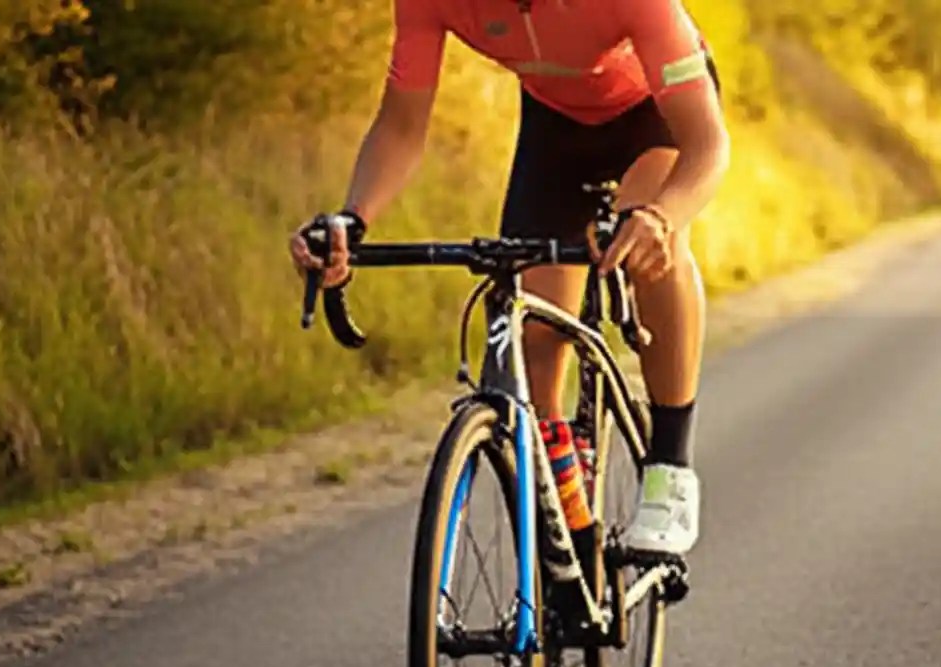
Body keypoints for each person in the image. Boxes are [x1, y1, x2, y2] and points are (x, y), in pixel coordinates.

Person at [289, 0, 728, 561]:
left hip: (657, 118)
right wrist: (353, 218)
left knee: (644, 244)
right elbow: (401, 126)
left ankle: (669, 466)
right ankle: (572, 534)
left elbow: (707, 144)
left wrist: (662, 218)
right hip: (555, 130)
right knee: (535, 341)